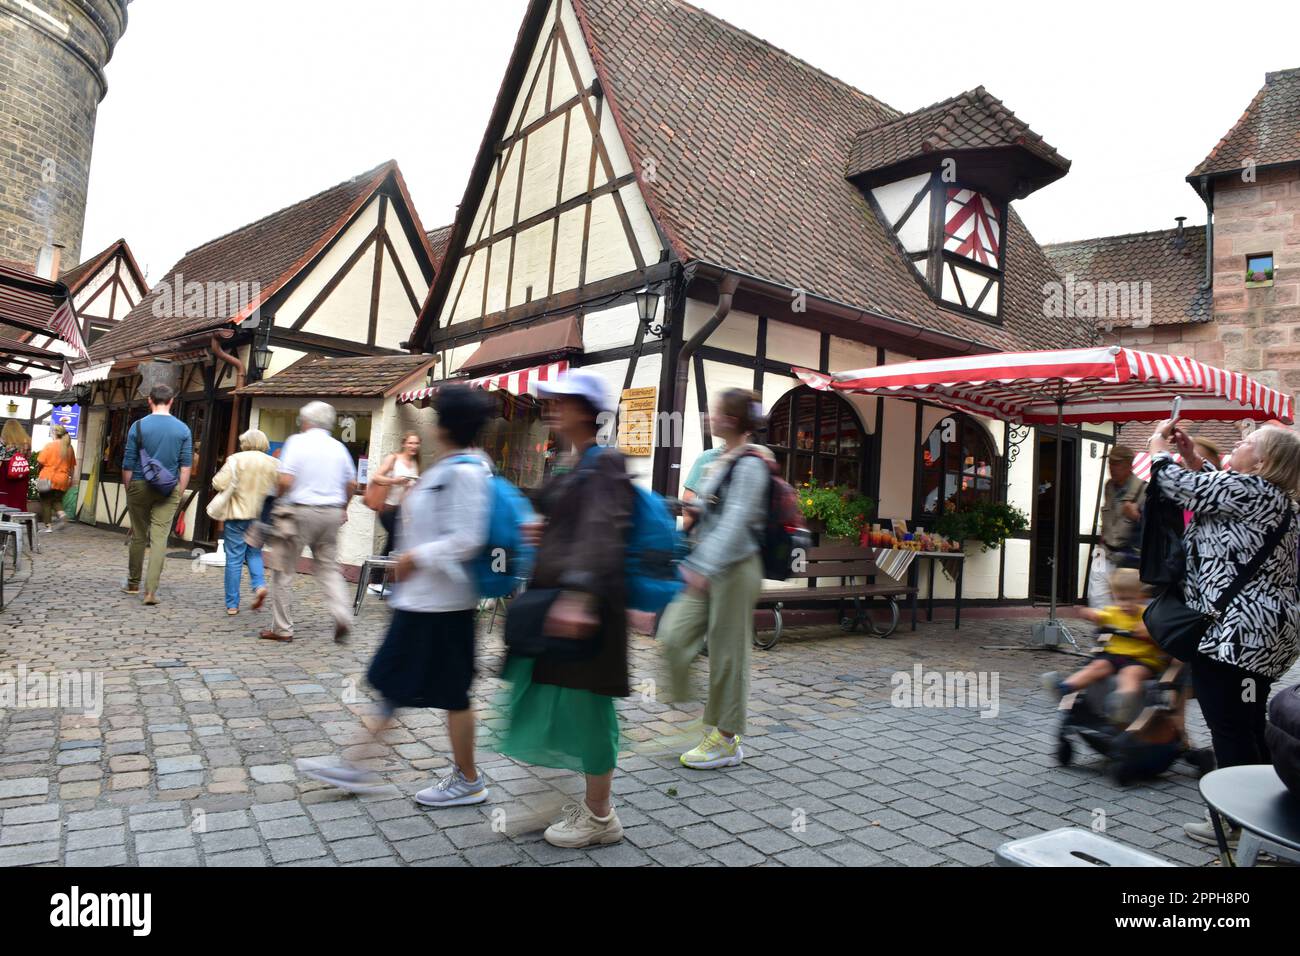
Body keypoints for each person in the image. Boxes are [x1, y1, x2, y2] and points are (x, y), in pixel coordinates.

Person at [298, 387, 496, 800]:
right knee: (395, 685)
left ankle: (468, 780)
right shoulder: (454, 466)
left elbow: (469, 537)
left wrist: (415, 557)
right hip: (424, 602)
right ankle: (354, 768)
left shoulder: (467, 472)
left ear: (446, 426)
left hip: (443, 606)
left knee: (450, 693)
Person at [494, 370, 632, 848]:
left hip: (586, 609)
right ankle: (564, 799)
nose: (550, 407)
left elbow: (602, 533)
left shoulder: (606, 464)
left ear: (581, 409)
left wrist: (578, 596)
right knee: (552, 698)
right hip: (562, 604)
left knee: (589, 707)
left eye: (560, 401)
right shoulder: (574, 463)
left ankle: (599, 817)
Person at [1147, 421, 1300, 845]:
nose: (1239, 442)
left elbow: (1181, 488)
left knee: (1230, 727)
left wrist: (1161, 452)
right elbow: (1212, 487)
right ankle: (1274, 818)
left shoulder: (1253, 492)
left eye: (1249, 441)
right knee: (1249, 723)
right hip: (1264, 635)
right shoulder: (1271, 498)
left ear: (1263, 462)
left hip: (1235, 635)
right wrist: (1194, 458)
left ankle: (1239, 827)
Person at [658, 389, 771, 770]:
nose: (711, 416)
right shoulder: (717, 458)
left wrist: (699, 566)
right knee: (674, 634)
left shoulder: (754, 463)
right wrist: (689, 508)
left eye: (717, 412)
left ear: (733, 420)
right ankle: (698, 707)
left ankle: (725, 737)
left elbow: (738, 522)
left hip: (737, 567)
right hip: (706, 564)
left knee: (727, 653)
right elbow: (713, 511)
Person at [262, 401, 357, 644]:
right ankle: (342, 615)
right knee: (328, 569)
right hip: (331, 514)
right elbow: (352, 484)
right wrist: (343, 507)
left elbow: (285, 480)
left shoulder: (297, 442)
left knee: (283, 571)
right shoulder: (339, 448)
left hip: (300, 512)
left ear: (305, 422)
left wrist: (280, 499)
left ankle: (282, 629)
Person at [1042, 568, 1165, 724]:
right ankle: (1065, 688)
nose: (1124, 604)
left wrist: (1146, 630)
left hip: (1141, 659)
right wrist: (1089, 613)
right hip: (1114, 656)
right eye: (1120, 599)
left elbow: (1156, 630)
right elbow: (1101, 615)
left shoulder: (1147, 614)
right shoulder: (1114, 612)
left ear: (1141, 597)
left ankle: (1123, 704)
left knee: (1129, 675)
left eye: (1130, 599)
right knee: (1096, 666)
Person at [122, 385, 193, 605]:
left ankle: (133, 583)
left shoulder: (138, 426)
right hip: (169, 488)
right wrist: (178, 493)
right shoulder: (183, 430)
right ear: (171, 401)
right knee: (160, 538)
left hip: (139, 484)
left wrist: (129, 488)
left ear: (149, 401)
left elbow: (128, 462)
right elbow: (186, 466)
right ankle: (151, 591)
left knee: (139, 535)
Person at [209, 428, 279, 616]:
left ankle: (232, 604)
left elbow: (218, 483)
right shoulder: (274, 463)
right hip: (261, 517)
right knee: (254, 553)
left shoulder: (235, 460)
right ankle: (259, 586)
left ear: (244, 443)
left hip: (238, 515)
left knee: (234, 559)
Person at [1088, 444, 1146, 608]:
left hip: (1127, 557)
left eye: (1116, 463)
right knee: (1096, 597)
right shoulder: (1109, 486)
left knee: (1122, 602)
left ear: (1129, 465)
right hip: (1103, 552)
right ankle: (1101, 631)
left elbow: (1151, 529)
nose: (1111, 468)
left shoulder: (1143, 490)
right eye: (1110, 463)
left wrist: (1136, 516)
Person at [367, 430, 421, 595]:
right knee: (396, 542)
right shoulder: (393, 459)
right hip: (388, 508)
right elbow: (377, 477)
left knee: (394, 543)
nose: (413, 446)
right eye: (411, 443)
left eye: (417, 443)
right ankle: (377, 581)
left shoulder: (415, 464)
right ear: (404, 443)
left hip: (402, 511)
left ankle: (380, 581)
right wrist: (395, 481)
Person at [35, 424, 75, 532]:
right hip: (63, 479)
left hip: (47, 476)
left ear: (55, 433)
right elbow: (72, 466)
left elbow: (40, 462)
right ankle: (62, 515)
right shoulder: (69, 448)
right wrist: (71, 479)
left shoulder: (50, 445)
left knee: (46, 502)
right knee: (57, 500)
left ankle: (48, 527)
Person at [681, 441, 722, 531]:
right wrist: (686, 531)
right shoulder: (709, 457)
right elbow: (689, 499)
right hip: (709, 533)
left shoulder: (752, 459)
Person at [0, 419, 33, 512]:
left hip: (4, 475)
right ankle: (21, 522)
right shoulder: (26, 442)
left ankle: (5, 523)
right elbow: (28, 457)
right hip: (20, 473)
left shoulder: (2, 442)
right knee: (19, 500)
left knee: (4, 501)